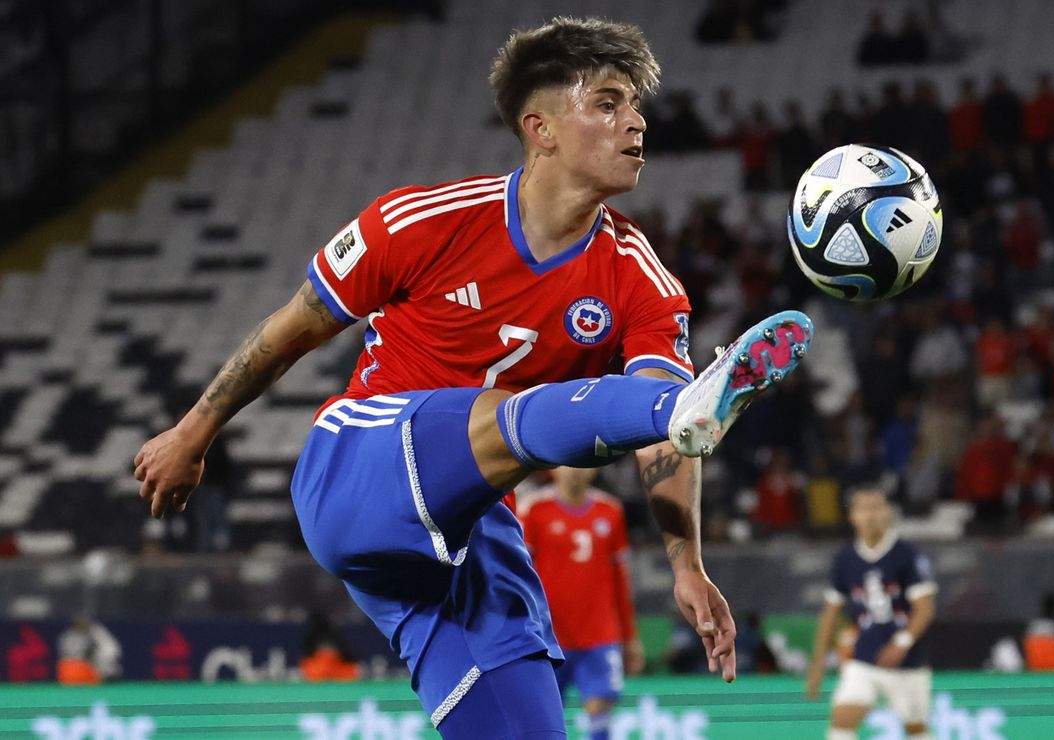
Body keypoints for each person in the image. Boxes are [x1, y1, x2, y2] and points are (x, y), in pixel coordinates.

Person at [131, 15, 814, 739]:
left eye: (637, 106)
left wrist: (686, 564)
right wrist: (192, 431)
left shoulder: (642, 282)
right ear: (540, 128)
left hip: (469, 528)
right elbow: (290, 329)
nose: (636, 123)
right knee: (527, 416)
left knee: (526, 726)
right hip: (357, 470)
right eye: (609, 103)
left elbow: (663, 439)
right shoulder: (420, 222)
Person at [521, 467, 644, 740]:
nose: (575, 471)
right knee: (546, 716)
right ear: (554, 468)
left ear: (595, 470)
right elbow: (519, 577)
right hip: (549, 635)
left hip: (599, 632)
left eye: (582, 464)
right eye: (568, 463)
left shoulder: (610, 511)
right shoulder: (533, 510)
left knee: (600, 707)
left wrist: (630, 636)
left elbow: (619, 580)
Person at [806, 485, 937, 740]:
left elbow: (925, 608)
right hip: (864, 658)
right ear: (852, 516)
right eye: (863, 509)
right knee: (842, 722)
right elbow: (830, 614)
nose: (870, 515)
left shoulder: (906, 554)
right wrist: (818, 664)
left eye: (876, 507)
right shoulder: (845, 558)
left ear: (888, 512)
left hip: (907, 662)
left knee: (916, 730)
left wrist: (901, 643)